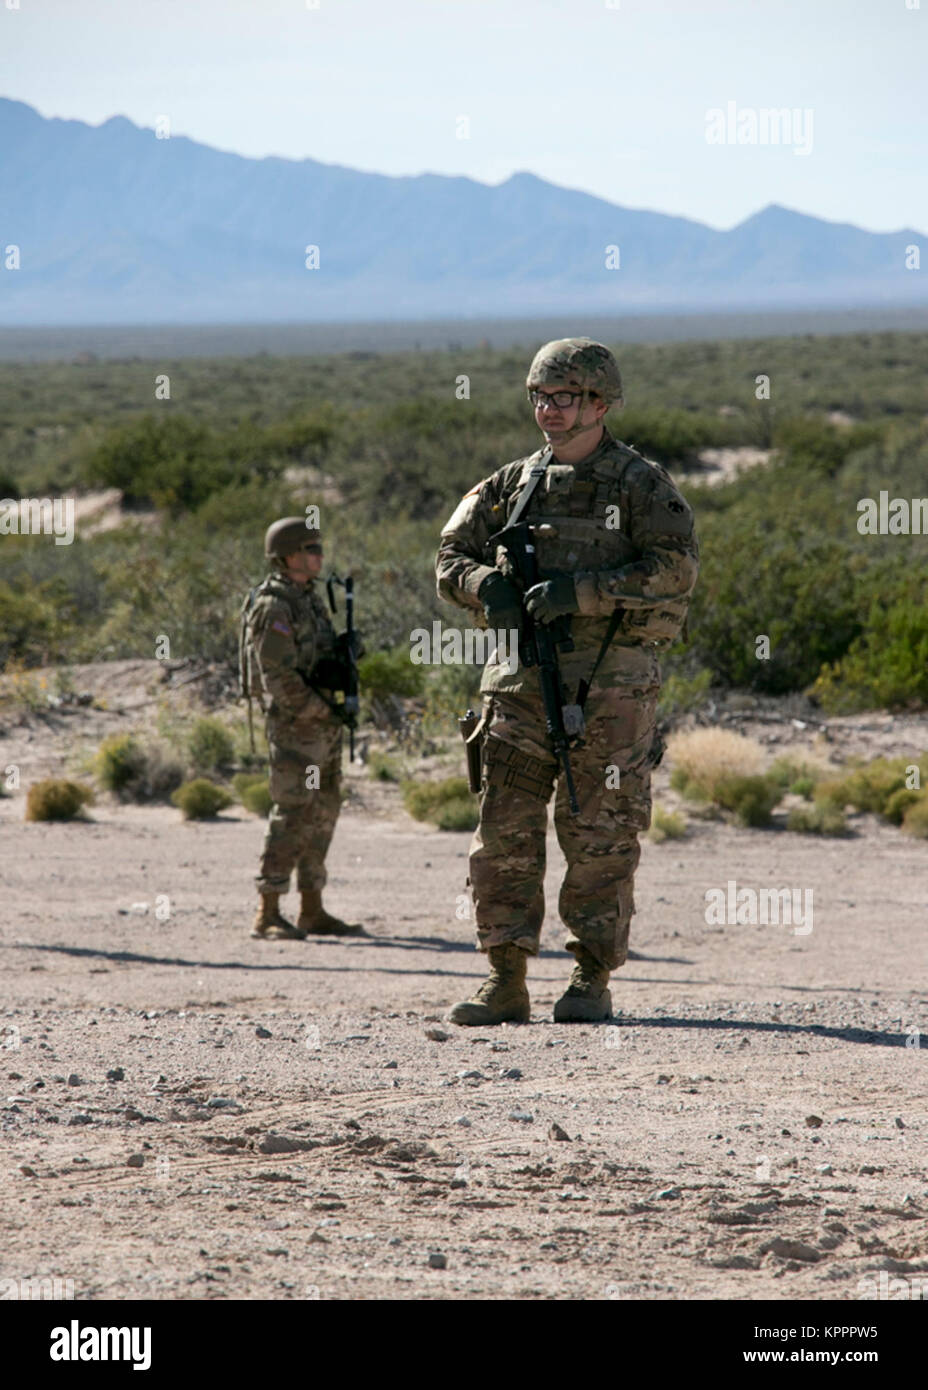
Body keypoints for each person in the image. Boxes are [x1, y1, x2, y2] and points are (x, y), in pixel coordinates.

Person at [435, 338, 699, 1024]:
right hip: (519, 686)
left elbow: (676, 568)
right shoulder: (510, 484)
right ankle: (505, 977)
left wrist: (583, 592)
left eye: (565, 398)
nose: (549, 411)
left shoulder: (641, 484)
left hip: (610, 693)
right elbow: (449, 555)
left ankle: (590, 977)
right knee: (504, 834)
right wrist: (482, 583)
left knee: (601, 832)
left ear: (602, 403)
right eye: (540, 399)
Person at [240, 516, 363, 940]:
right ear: (288, 555)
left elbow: (313, 661)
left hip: (322, 728)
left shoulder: (308, 598)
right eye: (310, 549)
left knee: (322, 811)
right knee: (292, 813)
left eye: (318, 548)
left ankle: (313, 908)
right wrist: (319, 710)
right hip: (297, 729)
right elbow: (277, 676)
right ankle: (268, 910)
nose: (319, 556)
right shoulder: (274, 605)